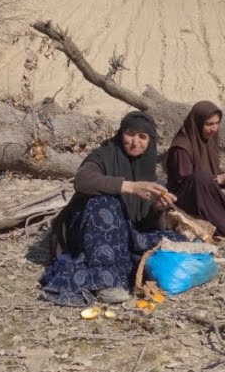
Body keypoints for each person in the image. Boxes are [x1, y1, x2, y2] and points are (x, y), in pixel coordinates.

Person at [40, 111, 183, 307]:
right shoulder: (104, 155)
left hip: (122, 231)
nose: (135, 142)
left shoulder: (148, 170)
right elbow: (82, 180)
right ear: (121, 133)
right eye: (130, 134)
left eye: (142, 137)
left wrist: (158, 209)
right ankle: (104, 282)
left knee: (165, 239)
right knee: (106, 203)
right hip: (86, 231)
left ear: (151, 141)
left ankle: (118, 268)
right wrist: (129, 186)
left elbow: (144, 223)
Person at [166, 100, 225, 237]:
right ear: (197, 123)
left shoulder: (208, 140)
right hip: (187, 201)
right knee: (200, 177)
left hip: (210, 199)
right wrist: (219, 179)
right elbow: (189, 182)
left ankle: (224, 222)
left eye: (217, 123)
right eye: (209, 124)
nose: (214, 128)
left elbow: (213, 173)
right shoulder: (181, 147)